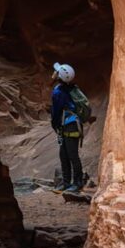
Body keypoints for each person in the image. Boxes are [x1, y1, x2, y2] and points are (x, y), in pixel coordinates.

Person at [50, 63, 84, 192]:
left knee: (71, 155)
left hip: (68, 126)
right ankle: (67, 182)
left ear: (60, 76)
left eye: (56, 72)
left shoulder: (58, 91)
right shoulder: (70, 88)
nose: (54, 73)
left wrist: (54, 124)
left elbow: (56, 111)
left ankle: (77, 182)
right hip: (71, 125)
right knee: (65, 154)